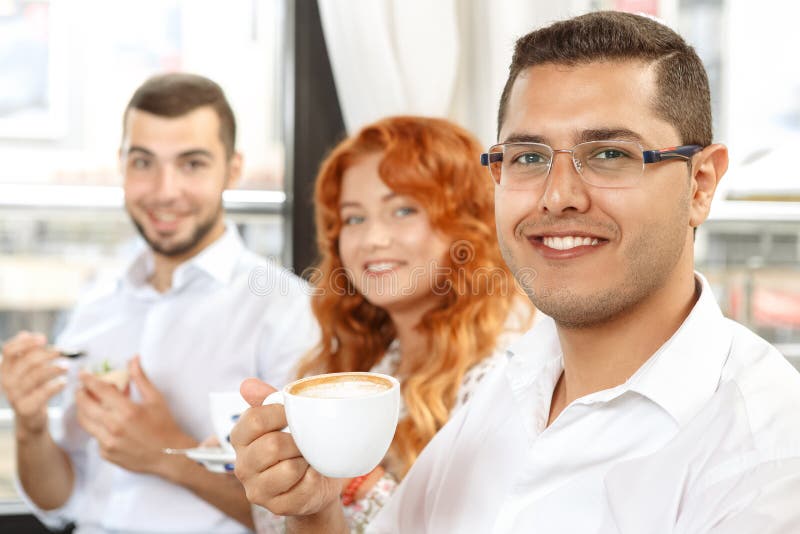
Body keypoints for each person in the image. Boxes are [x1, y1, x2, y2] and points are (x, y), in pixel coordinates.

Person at [366, 11, 800, 533]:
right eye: (528, 158)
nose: (558, 197)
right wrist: (310, 514)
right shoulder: (520, 374)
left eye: (610, 154)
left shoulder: (765, 460)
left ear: (701, 184)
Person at [0, 73, 318, 533]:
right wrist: (30, 428)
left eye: (192, 164)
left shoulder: (288, 311)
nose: (165, 190)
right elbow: (63, 498)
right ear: (122, 166)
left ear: (232, 169)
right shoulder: (93, 307)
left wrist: (166, 453)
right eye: (144, 162)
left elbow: (307, 512)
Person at [230, 116, 533, 533]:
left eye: (403, 210)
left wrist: (361, 487)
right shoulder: (368, 365)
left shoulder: (507, 377)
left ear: (467, 224)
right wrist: (298, 492)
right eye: (354, 219)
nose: (372, 238)